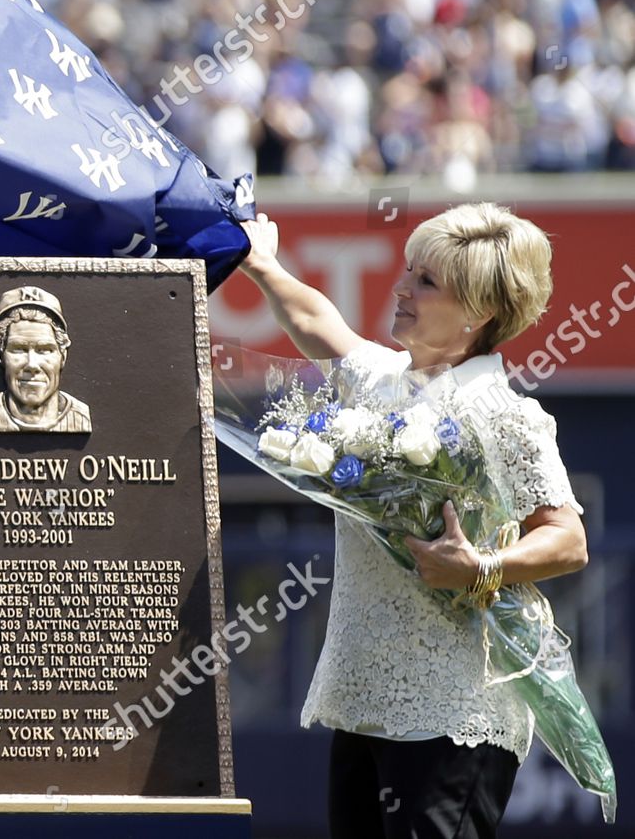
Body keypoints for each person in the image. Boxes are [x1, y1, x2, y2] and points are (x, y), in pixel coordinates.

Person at [240, 203, 589, 838]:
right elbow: (317, 321)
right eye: (407, 271)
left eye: (425, 281)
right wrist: (264, 265)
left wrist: (482, 567)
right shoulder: (379, 378)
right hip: (362, 698)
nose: (399, 288)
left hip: (454, 710)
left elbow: (568, 540)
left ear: (480, 311)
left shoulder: (509, 415)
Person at [0, 285, 92, 433]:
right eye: (18, 349)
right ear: (0, 355)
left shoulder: (81, 418)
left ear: (63, 356)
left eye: (44, 350)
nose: (32, 364)